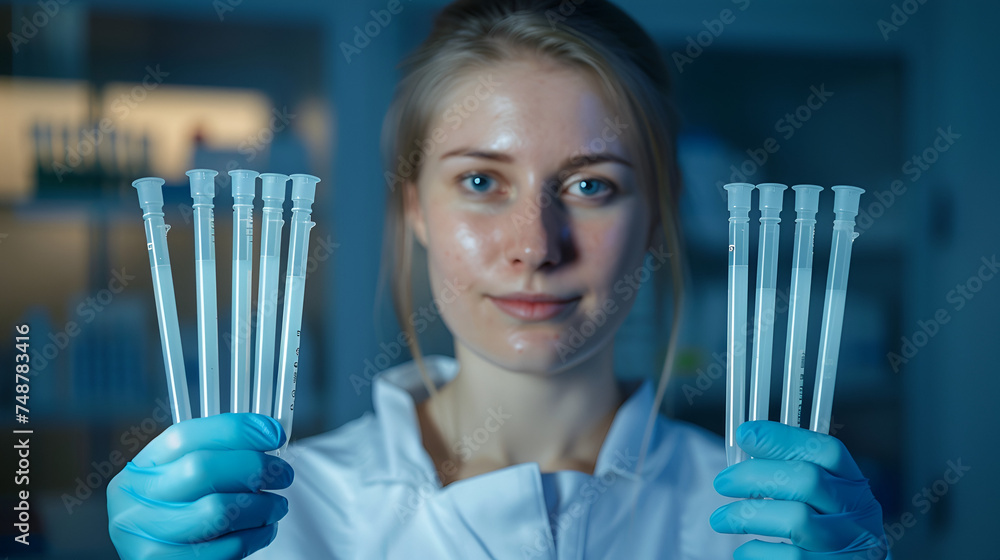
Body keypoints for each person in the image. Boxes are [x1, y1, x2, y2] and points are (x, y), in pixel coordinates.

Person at [107, 1, 888, 558]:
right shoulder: (274, 518)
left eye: (591, 186)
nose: (535, 247)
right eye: (482, 182)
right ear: (415, 208)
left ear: (660, 216)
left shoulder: (763, 520)